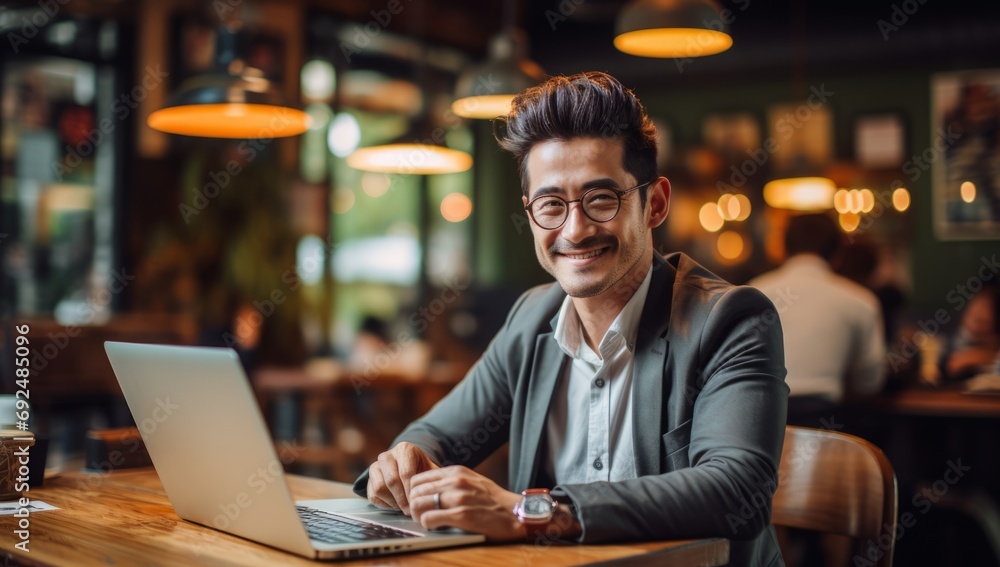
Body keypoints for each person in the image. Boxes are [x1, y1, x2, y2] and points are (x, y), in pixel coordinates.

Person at [354, 72, 788, 566]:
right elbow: (437, 436)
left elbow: (737, 493)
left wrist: (531, 512)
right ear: (531, 213)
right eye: (551, 205)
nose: (575, 230)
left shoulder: (730, 320)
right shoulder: (531, 319)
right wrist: (404, 458)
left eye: (601, 199)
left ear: (656, 203)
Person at [750, 213, 886, 424]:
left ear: (783, 249)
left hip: (758, 423)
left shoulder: (752, 293)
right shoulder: (861, 301)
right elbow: (869, 383)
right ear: (838, 254)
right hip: (827, 423)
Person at [940, 283, 1000, 381]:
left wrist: (983, 356)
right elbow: (951, 366)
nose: (977, 327)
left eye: (984, 322)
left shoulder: (992, 344)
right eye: (975, 317)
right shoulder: (949, 334)